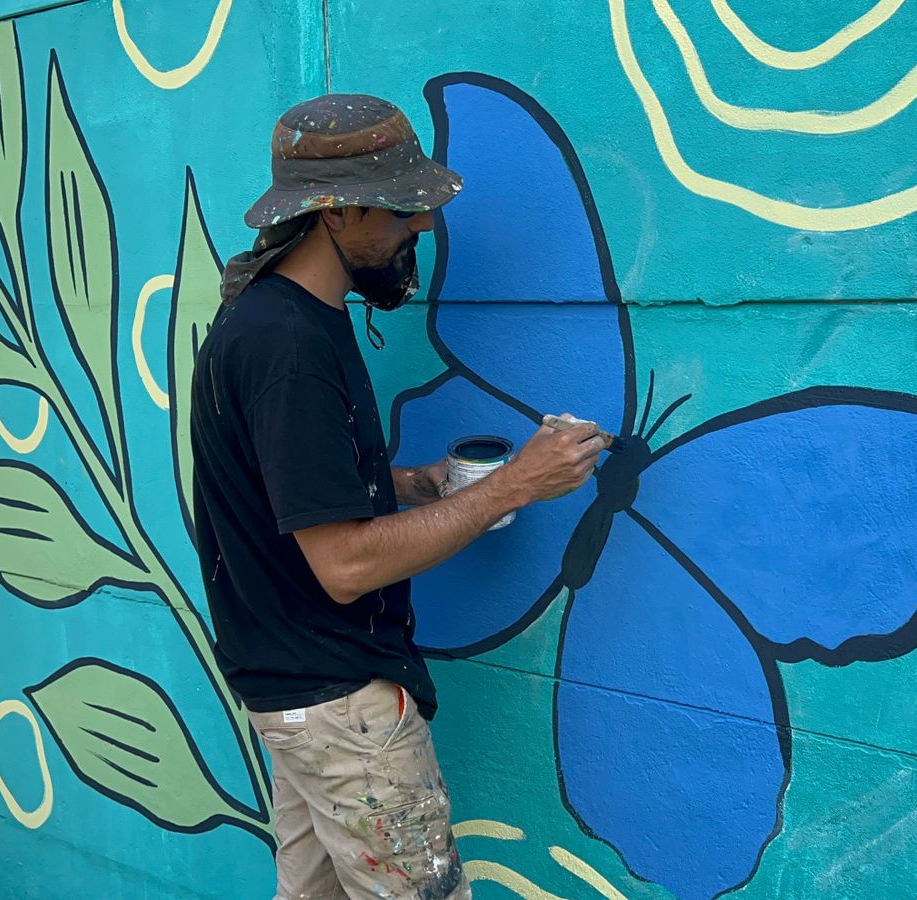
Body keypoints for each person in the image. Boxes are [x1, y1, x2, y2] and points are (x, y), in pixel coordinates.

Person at [189, 94, 608, 900]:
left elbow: (294, 490)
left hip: (298, 696)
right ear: (336, 213)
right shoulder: (288, 347)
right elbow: (345, 565)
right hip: (341, 710)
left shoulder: (276, 315)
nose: (421, 224)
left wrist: (415, 484)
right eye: (400, 206)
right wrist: (515, 484)